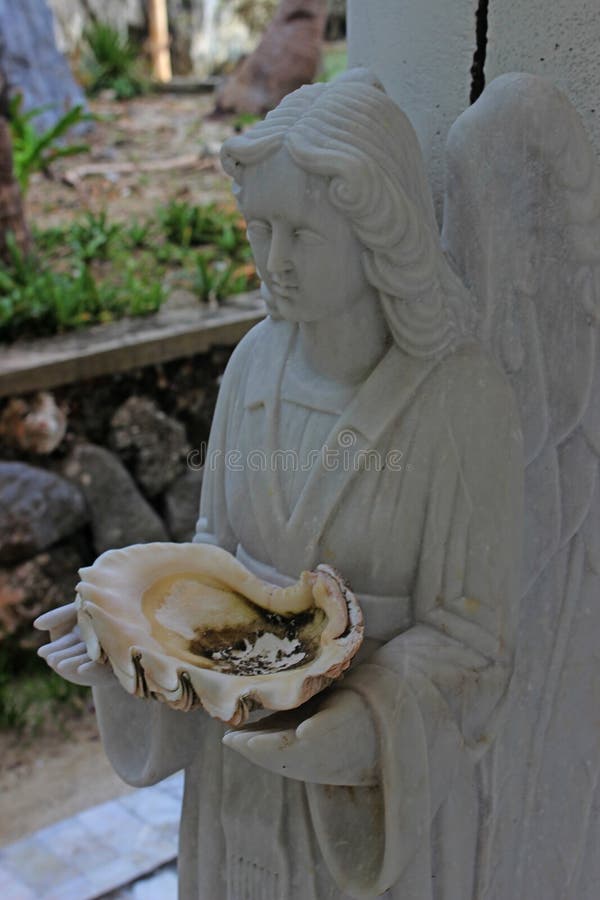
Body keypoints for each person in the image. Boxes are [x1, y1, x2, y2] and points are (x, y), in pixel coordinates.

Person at [37, 69, 523, 900]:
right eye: (260, 227)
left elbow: (476, 638)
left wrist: (366, 731)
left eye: (301, 232)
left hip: (364, 808)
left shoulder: (458, 400)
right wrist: (135, 646)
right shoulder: (254, 363)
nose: (273, 261)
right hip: (238, 788)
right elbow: (214, 556)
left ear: (378, 230)